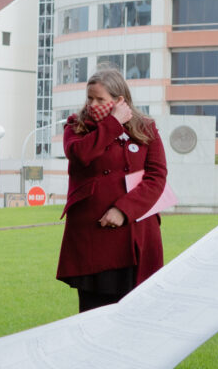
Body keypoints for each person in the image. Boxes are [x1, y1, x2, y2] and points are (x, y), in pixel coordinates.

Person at [57, 68, 167, 311]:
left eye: (100, 99)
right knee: (95, 315)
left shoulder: (146, 128)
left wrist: (123, 210)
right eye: (90, 98)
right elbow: (81, 155)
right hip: (94, 238)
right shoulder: (75, 127)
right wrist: (112, 123)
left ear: (119, 101)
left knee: (138, 314)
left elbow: (157, 177)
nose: (93, 104)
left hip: (137, 233)